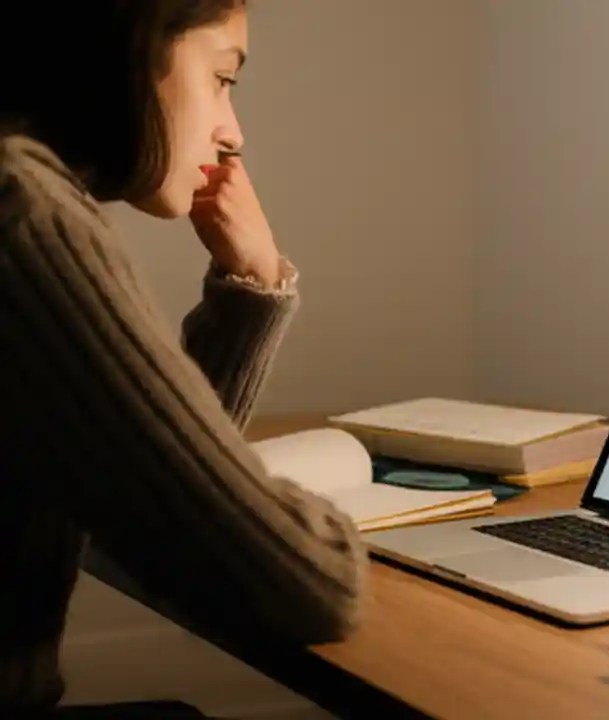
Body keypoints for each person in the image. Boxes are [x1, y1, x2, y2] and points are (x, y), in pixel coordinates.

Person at [0, 1, 367, 716]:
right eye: (223, 79)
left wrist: (252, 289)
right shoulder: (26, 217)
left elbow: (143, 489)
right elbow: (308, 587)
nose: (233, 135)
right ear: (134, 48)